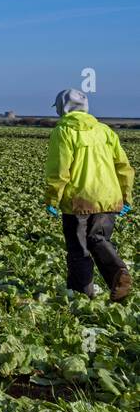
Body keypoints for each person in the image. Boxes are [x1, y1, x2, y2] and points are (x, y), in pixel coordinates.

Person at [43, 89, 133, 302]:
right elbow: (124, 166)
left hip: (79, 199)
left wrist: (52, 198)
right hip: (109, 196)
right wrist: (126, 195)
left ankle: (81, 296)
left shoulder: (64, 131)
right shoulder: (104, 131)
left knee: (78, 249)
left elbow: (59, 169)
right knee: (98, 238)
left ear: (62, 107)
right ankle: (118, 272)